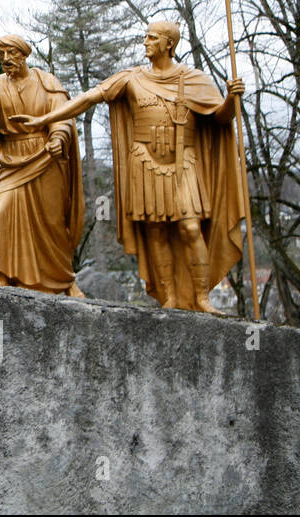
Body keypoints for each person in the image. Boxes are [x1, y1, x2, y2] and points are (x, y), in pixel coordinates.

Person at [13, 20, 244, 313]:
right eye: (145, 37)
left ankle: (200, 297)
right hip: (145, 161)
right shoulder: (131, 78)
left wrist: (230, 99)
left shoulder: (193, 79)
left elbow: (221, 118)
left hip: (183, 161)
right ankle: (170, 297)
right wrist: (44, 120)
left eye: (151, 38)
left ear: (168, 44)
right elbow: (88, 98)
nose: (145, 42)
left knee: (190, 227)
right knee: (156, 230)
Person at [0, 35, 85, 295]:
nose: (5, 60)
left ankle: (63, 281)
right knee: (1, 211)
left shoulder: (47, 82)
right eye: (1, 55)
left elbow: (63, 115)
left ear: (24, 55)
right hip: (12, 162)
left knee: (51, 221)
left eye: (11, 54)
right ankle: (3, 276)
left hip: (46, 157)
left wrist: (59, 137)